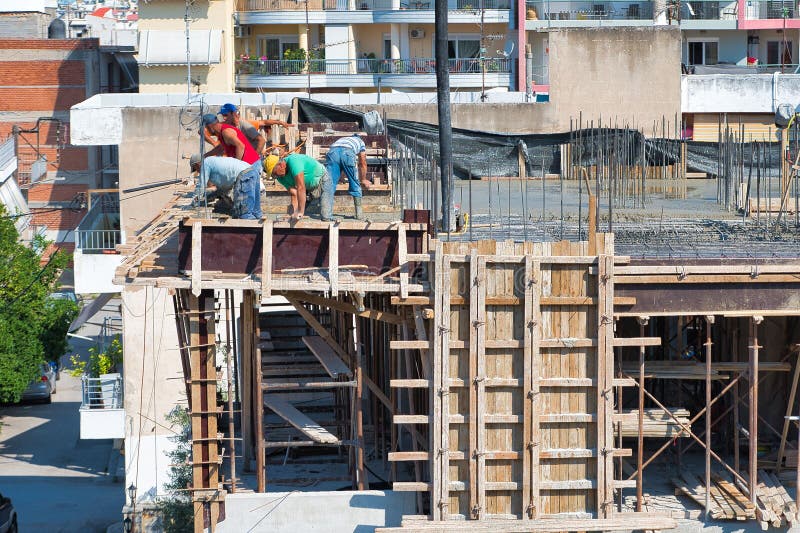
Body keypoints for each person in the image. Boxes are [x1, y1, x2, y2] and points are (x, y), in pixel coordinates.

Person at [190, 154, 262, 220]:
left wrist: (195, 200)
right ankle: (259, 230)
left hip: (244, 175)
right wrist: (208, 198)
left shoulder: (205, 164)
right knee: (255, 212)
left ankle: (247, 233)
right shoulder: (214, 163)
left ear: (197, 164)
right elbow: (223, 190)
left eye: (196, 169)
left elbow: (201, 184)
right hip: (252, 171)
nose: (198, 172)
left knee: (243, 213)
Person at [265, 153, 333, 221]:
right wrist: (293, 213)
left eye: (274, 173)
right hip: (306, 188)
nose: (275, 176)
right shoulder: (280, 177)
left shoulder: (294, 162)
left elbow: (300, 187)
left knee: (325, 216)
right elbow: (294, 193)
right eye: (273, 175)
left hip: (322, 179)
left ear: (281, 165)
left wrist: (300, 212)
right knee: (295, 216)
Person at [325, 133, 372, 220]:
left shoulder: (342, 139)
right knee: (355, 182)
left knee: (329, 184)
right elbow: (362, 161)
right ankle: (359, 215)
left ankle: (326, 215)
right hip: (347, 153)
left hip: (333, 153)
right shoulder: (360, 142)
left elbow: (337, 152)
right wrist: (364, 179)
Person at [219, 103, 290, 155]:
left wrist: (280, 122)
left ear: (233, 114)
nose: (224, 118)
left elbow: (264, 122)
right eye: (223, 116)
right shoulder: (222, 126)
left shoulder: (245, 125)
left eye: (226, 115)